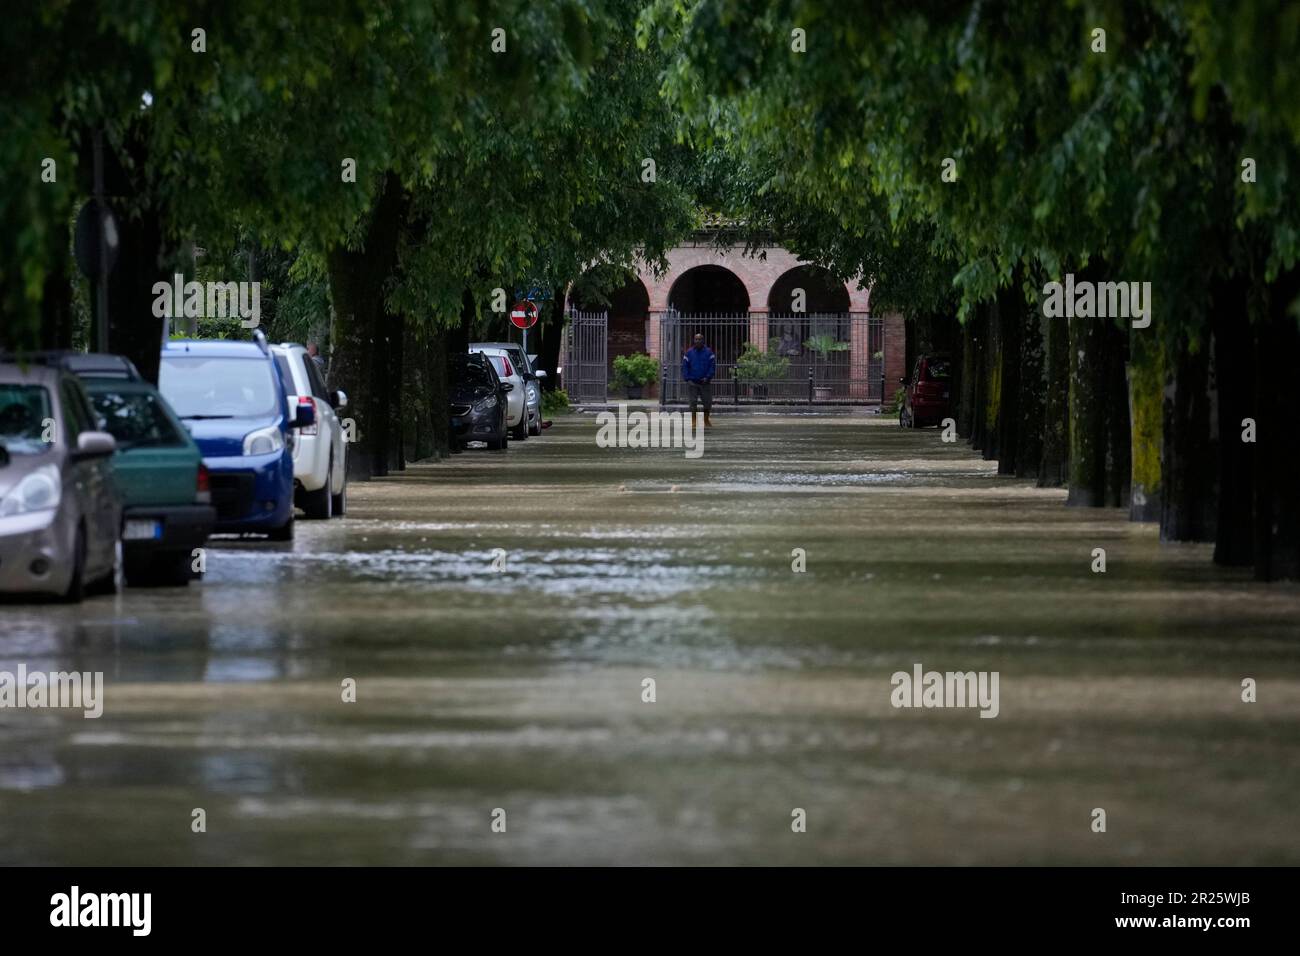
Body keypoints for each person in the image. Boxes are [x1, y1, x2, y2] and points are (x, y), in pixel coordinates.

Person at [681, 332, 716, 427]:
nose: (698, 341)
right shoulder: (689, 352)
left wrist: (708, 377)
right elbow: (685, 367)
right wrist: (687, 379)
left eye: (700, 339)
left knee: (707, 402)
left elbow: (712, 366)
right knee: (693, 402)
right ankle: (694, 421)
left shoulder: (709, 352)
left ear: (703, 340)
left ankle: (706, 420)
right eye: (696, 339)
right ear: (694, 340)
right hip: (693, 382)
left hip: (705, 382)